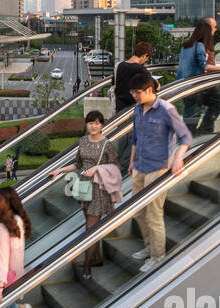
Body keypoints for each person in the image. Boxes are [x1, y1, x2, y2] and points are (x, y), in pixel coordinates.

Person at [127, 73, 193, 271]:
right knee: (138, 212)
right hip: (139, 167)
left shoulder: (166, 109)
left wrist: (178, 158)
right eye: (132, 93)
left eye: (137, 93)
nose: (135, 96)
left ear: (149, 90)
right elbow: (135, 138)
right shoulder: (138, 109)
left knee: (154, 214)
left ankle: (158, 256)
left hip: (159, 167)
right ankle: (149, 247)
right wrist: (131, 162)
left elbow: (186, 137)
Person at [49, 109, 121, 277]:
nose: (94, 126)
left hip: (99, 190)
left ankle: (87, 266)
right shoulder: (82, 141)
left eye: (97, 123)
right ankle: (96, 258)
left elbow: (115, 168)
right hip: (84, 188)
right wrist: (59, 171)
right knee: (90, 226)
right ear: (86, 124)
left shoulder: (107, 144)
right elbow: (77, 164)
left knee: (90, 229)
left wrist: (97, 168)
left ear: (102, 125)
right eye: (90, 123)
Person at [175, 19, 220, 135]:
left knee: (190, 115)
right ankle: (202, 132)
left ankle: (189, 138)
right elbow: (205, 66)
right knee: (216, 103)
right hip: (196, 85)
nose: (215, 30)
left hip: (183, 85)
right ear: (205, 33)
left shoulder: (186, 46)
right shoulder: (200, 46)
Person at [114, 42, 153, 117]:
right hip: (134, 109)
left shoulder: (119, 65)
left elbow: (114, 83)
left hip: (119, 108)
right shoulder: (140, 69)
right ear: (145, 55)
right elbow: (155, 86)